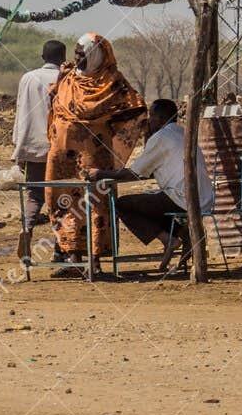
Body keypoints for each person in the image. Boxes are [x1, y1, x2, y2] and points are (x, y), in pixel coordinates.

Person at [46, 33, 146, 263]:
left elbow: (135, 109)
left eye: (83, 54)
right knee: (64, 202)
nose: (78, 58)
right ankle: (71, 255)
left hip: (94, 157)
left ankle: (95, 258)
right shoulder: (69, 77)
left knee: (94, 204)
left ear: (97, 55)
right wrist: (60, 79)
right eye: (77, 54)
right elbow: (52, 101)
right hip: (62, 157)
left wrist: (114, 131)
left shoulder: (113, 82)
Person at [86, 98, 214, 273]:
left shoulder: (161, 137)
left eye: (151, 116)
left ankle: (168, 239)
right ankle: (181, 235)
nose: (148, 120)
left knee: (122, 204)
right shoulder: (182, 132)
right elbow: (152, 168)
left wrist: (100, 174)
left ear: (160, 119)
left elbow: (134, 172)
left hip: (184, 198)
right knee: (153, 203)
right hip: (204, 199)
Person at [13, 40, 65, 225]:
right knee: (62, 197)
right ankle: (61, 248)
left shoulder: (28, 78)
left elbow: (20, 112)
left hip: (33, 146)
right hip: (60, 147)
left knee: (34, 195)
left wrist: (19, 147)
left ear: (43, 57)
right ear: (63, 58)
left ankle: (26, 228)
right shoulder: (66, 78)